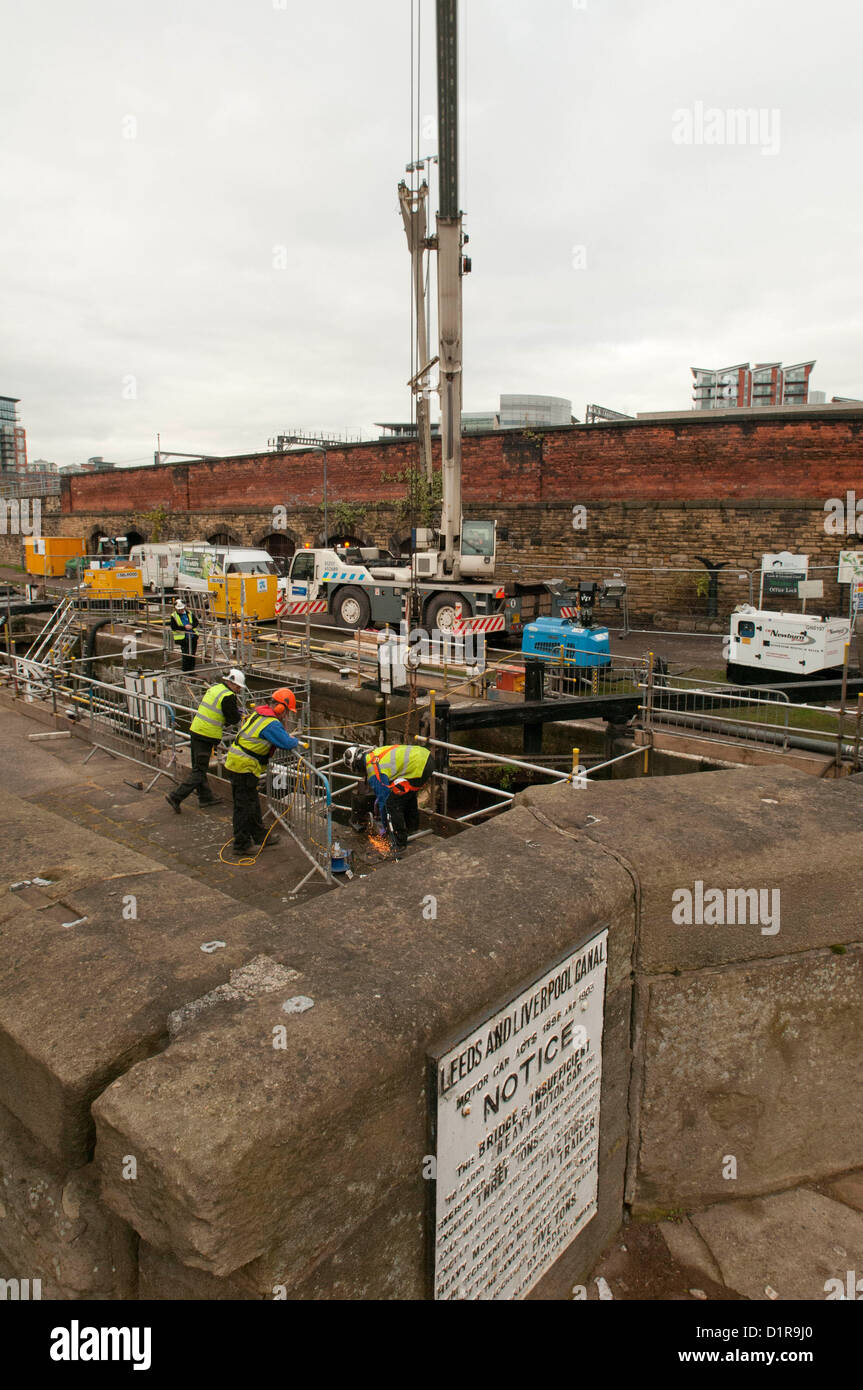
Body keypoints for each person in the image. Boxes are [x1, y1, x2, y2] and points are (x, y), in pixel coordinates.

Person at [224, 687, 299, 854]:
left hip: (240, 764)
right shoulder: (271, 723)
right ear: (280, 708)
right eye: (287, 712)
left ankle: (260, 835)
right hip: (243, 766)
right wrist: (295, 740)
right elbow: (287, 743)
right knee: (243, 807)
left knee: (252, 803)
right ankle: (241, 844)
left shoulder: (260, 714)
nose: (287, 715)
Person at [166, 668, 246, 813]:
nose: (239, 690)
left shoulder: (215, 689)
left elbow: (215, 710)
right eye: (238, 687)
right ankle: (176, 796)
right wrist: (238, 714)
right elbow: (232, 718)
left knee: (198, 766)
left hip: (196, 730)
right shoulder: (229, 696)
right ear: (232, 683)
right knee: (199, 770)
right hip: (207, 734)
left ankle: (205, 797)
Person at [345, 742, 436, 852]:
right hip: (426, 757)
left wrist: (385, 827)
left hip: (420, 766)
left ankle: (399, 842)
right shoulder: (374, 754)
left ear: (357, 764)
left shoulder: (372, 770)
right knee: (407, 794)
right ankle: (412, 828)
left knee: (392, 803)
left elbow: (384, 800)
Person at [170, 598, 200, 671]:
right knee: (186, 655)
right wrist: (184, 627)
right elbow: (173, 627)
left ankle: (192, 670)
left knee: (192, 654)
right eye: (179, 609)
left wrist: (192, 626)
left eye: (182, 609)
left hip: (192, 637)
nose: (181, 610)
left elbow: (196, 622)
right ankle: (185, 670)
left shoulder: (189, 613)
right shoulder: (174, 616)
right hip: (183, 639)